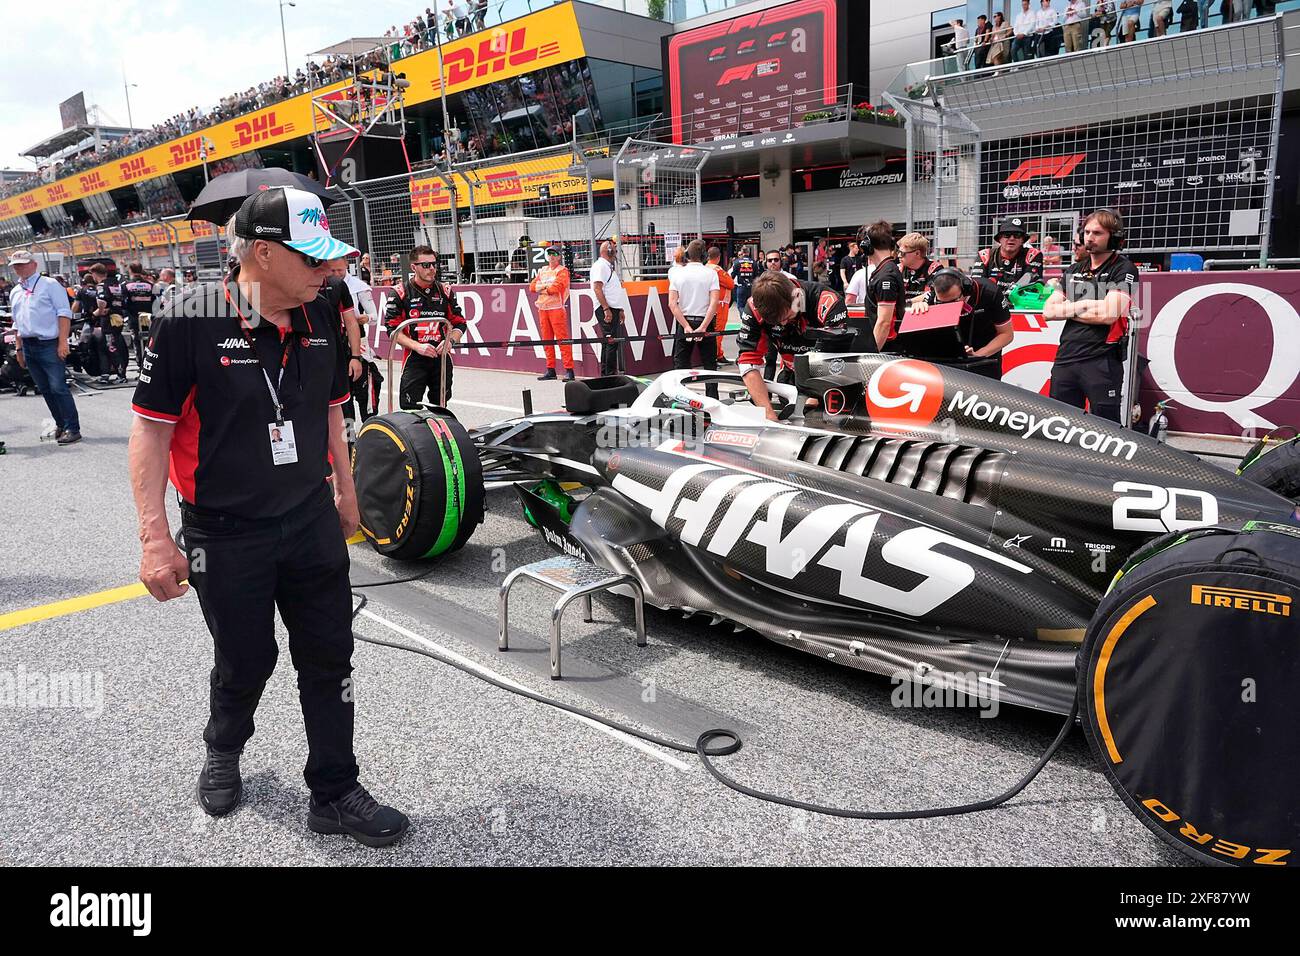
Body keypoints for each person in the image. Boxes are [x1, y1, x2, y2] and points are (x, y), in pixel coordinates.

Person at [127, 187, 408, 846]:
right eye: (313, 259)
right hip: (224, 534)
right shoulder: (191, 316)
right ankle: (223, 750)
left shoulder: (321, 313)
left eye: (329, 259)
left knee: (330, 658)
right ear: (260, 253)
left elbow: (334, 409)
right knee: (246, 661)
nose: (329, 271)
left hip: (308, 519)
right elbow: (151, 432)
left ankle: (335, 790)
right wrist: (154, 538)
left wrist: (346, 492)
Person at [1042, 208, 1138, 422]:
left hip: (1102, 360)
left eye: (1097, 233)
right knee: (1061, 423)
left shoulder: (1124, 269)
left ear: (1114, 237)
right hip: (1066, 357)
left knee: (1105, 426)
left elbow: (1108, 314)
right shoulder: (1074, 269)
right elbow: (1048, 312)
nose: (1089, 238)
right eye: (1087, 232)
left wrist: (1069, 308)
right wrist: (1086, 305)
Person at [735, 271, 855, 420]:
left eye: (786, 317)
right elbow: (748, 361)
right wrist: (767, 414)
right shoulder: (754, 308)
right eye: (776, 322)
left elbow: (837, 360)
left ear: (796, 297)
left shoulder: (826, 301)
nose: (783, 324)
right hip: (792, 378)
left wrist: (809, 403)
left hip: (834, 381)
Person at [9, 250, 81, 444]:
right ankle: (61, 424)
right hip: (28, 344)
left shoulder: (50, 285)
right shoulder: (15, 291)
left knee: (58, 387)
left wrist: (62, 341)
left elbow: (64, 313)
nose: (19, 268)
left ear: (34, 264)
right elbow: (16, 322)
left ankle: (72, 428)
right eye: (16, 265)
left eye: (23, 264)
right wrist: (18, 349)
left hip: (49, 343)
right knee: (44, 388)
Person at [385, 246, 465, 408]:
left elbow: (459, 323)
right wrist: (418, 347)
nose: (432, 269)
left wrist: (450, 341)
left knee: (441, 405)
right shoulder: (400, 292)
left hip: (441, 357)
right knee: (409, 406)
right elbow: (392, 330)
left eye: (434, 264)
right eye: (426, 265)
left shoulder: (445, 291)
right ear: (414, 267)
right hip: (414, 357)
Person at [904, 269, 1014, 374]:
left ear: (966, 289)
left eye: (954, 301)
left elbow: (1007, 334)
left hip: (985, 359)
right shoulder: (934, 295)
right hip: (949, 362)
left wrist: (978, 355)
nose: (949, 307)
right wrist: (918, 307)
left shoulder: (989, 292)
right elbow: (914, 302)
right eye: (942, 303)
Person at [668, 239, 720, 397]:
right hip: (706, 321)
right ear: (704, 255)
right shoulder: (711, 273)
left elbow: (672, 304)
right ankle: (713, 401)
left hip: (684, 321)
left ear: (687, 255)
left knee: (681, 365)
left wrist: (685, 326)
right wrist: (704, 326)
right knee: (710, 365)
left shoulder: (678, 274)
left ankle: (682, 398)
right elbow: (714, 303)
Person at [857, 221, 904, 350]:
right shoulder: (886, 270)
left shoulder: (885, 276)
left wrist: (871, 354)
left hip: (886, 348)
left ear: (867, 246)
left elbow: (884, 323)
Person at [530, 245, 573, 381]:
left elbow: (556, 288)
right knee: (547, 341)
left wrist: (541, 288)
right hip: (543, 309)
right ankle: (550, 370)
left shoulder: (563, 271)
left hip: (556, 309)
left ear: (559, 256)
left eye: (554, 254)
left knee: (562, 340)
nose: (552, 256)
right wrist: (545, 287)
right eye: (550, 254)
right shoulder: (543, 270)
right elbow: (531, 287)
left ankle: (569, 370)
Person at [971, 216, 1045, 292]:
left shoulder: (1032, 255)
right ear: (999, 239)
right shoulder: (984, 255)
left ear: (1022, 240)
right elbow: (976, 286)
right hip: (990, 300)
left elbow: (1032, 286)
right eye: (1007, 235)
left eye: (1017, 235)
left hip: (1019, 301)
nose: (1012, 238)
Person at [590, 239, 629, 376]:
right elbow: (597, 289)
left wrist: (620, 309)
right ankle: (610, 375)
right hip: (606, 309)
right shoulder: (600, 266)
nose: (616, 253)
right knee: (611, 342)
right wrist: (606, 309)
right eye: (615, 250)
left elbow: (612, 290)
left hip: (612, 308)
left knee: (609, 343)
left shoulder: (607, 267)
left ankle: (606, 374)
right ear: (609, 251)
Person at [122, 263, 156, 375]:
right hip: (148, 317)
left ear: (130, 270)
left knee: (137, 342)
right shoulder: (150, 285)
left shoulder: (126, 285)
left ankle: (141, 366)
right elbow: (156, 301)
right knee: (149, 342)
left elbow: (124, 302)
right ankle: (150, 364)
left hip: (134, 318)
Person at [707, 246, 735, 364]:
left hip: (712, 303)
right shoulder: (716, 269)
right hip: (720, 305)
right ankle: (715, 357)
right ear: (718, 257)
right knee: (718, 331)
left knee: (713, 331)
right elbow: (730, 283)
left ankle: (718, 354)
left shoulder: (705, 268)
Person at [728, 246, 756, 320]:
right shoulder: (753, 262)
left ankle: (744, 319)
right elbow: (756, 276)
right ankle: (749, 320)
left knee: (740, 306)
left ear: (742, 253)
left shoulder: (737, 262)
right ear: (748, 252)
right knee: (751, 305)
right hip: (751, 287)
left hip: (741, 287)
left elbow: (732, 275)